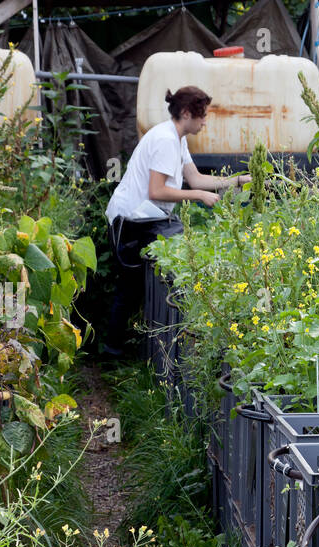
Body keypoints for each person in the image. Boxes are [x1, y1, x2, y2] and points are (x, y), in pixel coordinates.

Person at [102, 85, 251, 357]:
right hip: (131, 221)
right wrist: (200, 196)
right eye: (202, 115)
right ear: (185, 113)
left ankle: (118, 350)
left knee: (133, 287)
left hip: (145, 218)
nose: (205, 121)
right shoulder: (165, 140)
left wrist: (238, 181)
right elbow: (156, 191)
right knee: (133, 286)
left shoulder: (177, 139)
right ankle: (115, 353)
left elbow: (196, 178)